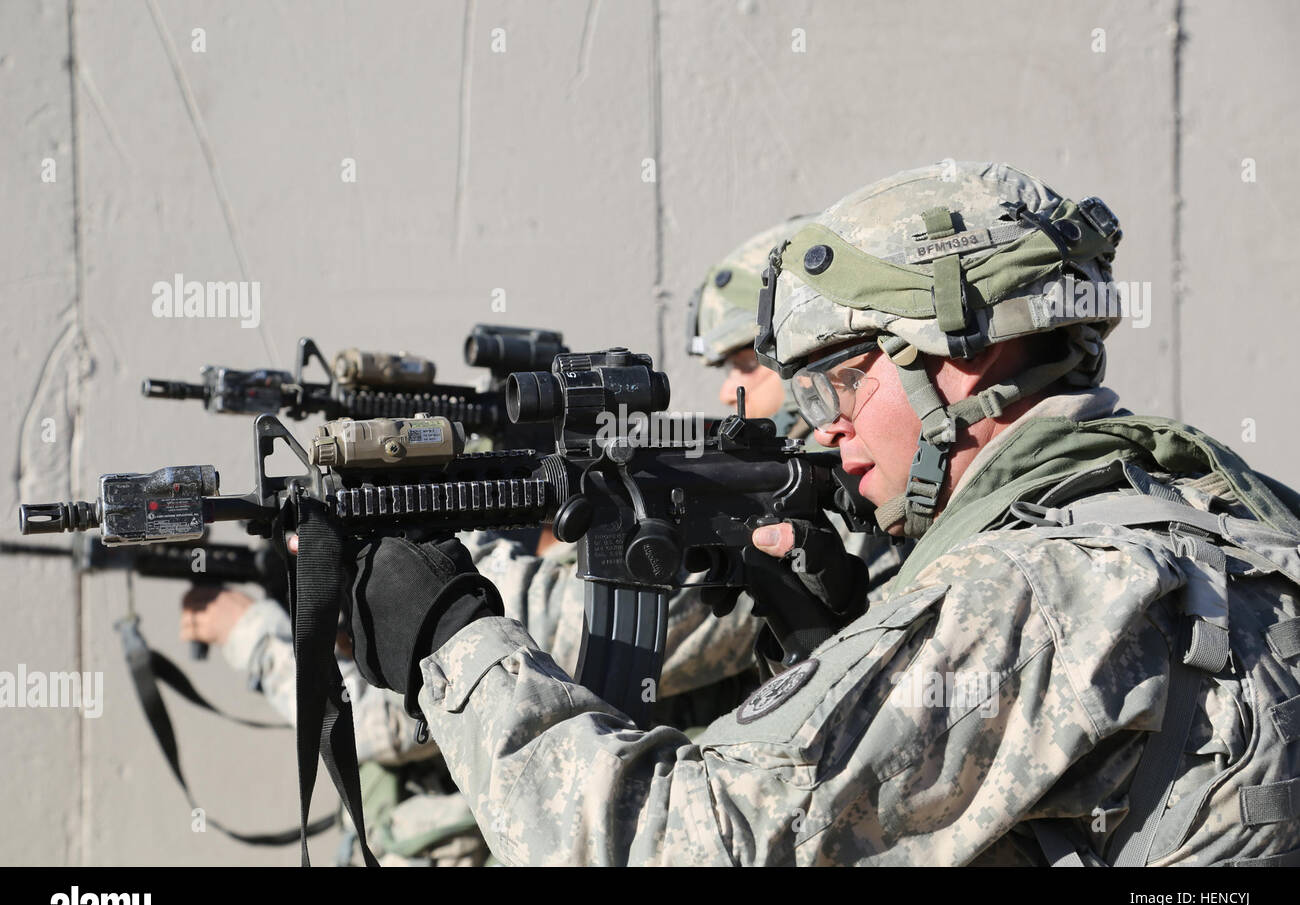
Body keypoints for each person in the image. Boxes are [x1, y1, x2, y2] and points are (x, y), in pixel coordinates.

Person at [333, 160, 1300, 866]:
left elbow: (674, 847)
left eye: (841, 382)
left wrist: (454, 638)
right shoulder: (1215, 511)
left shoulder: (1027, 591)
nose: (826, 429)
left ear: (958, 363)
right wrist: (834, 641)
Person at [180, 215, 882, 861]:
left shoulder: (815, 505)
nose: (732, 390)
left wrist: (426, 549)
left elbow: (548, 638)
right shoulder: (781, 486)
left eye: (748, 367)